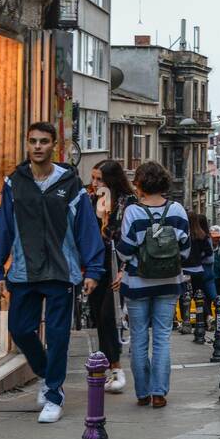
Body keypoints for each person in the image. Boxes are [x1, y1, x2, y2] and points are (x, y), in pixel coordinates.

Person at [0, 122, 105, 423]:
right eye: (32, 141)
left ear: (54, 145)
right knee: (20, 328)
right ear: (26, 144)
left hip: (60, 271)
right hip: (24, 271)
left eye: (43, 141)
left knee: (57, 336)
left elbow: (87, 227)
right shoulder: (15, 182)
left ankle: (54, 393)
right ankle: (45, 372)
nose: (37, 146)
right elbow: (3, 226)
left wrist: (93, 268)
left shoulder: (70, 184)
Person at [112, 161, 192, 408]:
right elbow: (186, 252)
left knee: (138, 338)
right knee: (162, 338)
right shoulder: (177, 210)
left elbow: (124, 252)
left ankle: (143, 392)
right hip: (169, 283)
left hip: (137, 283)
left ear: (139, 184)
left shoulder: (133, 212)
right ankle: (159, 393)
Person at [92, 159, 134, 393]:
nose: (95, 183)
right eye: (94, 178)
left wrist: (124, 270)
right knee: (99, 315)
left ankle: (117, 368)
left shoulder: (128, 204)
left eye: (100, 179)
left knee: (110, 314)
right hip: (97, 266)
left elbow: (132, 239)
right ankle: (106, 367)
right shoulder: (93, 200)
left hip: (119, 264)